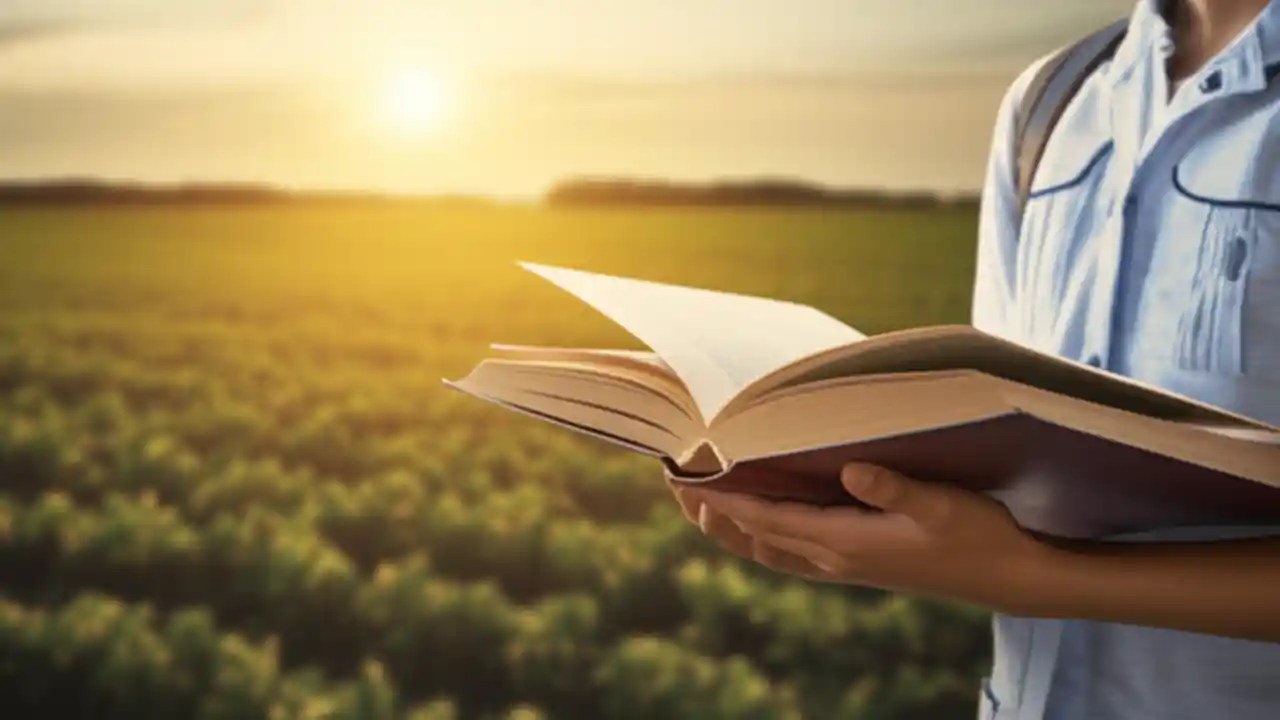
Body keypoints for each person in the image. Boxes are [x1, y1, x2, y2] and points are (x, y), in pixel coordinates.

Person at [668, 1, 1280, 718]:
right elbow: (1005, 449)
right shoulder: (1050, 100)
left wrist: (1039, 579)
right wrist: (850, 500)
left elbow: (1019, 565)